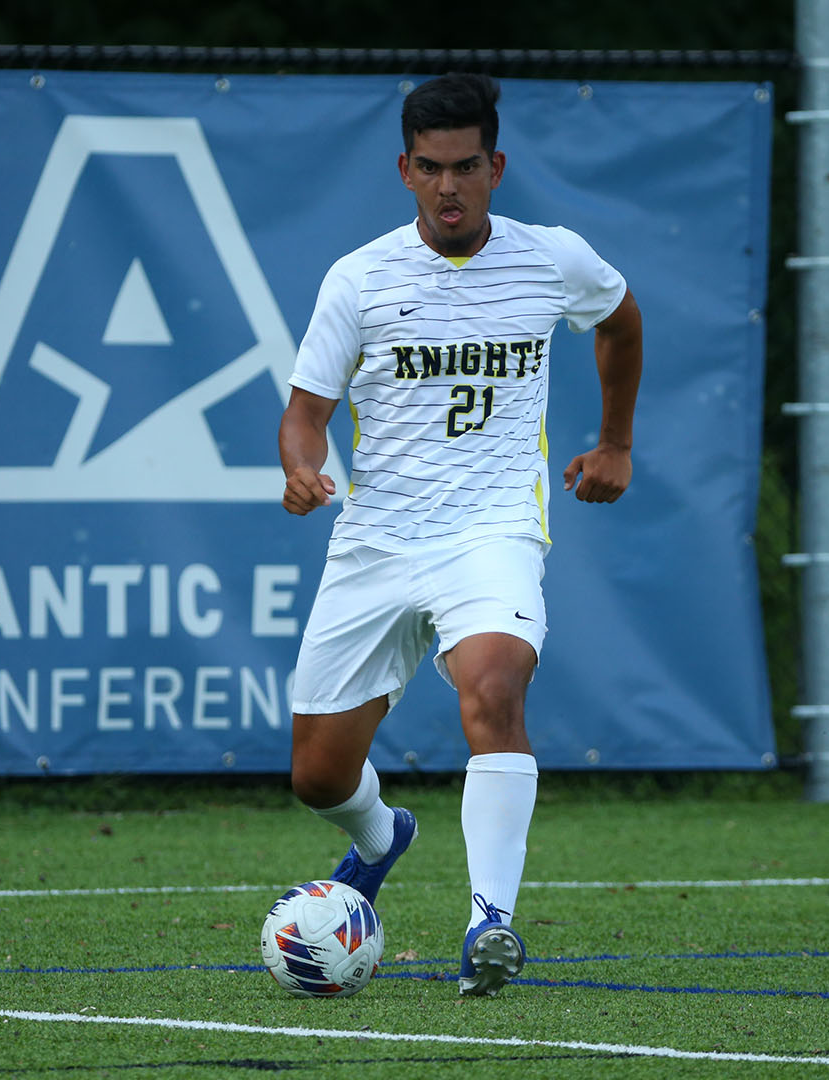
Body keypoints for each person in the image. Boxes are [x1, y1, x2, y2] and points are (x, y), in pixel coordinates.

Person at [278, 72, 642, 997]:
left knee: (493, 688)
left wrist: (616, 442)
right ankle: (382, 836)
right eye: (432, 168)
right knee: (319, 776)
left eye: (468, 166)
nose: (450, 186)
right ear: (404, 170)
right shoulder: (359, 278)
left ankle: (491, 925)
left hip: (493, 531)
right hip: (378, 539)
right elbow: (306, 410)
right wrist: (301, 467)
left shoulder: (551, 258)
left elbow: (620, 318)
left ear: (497, 166)